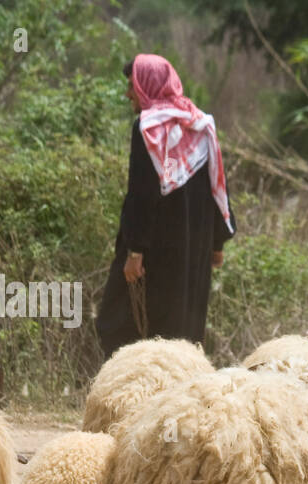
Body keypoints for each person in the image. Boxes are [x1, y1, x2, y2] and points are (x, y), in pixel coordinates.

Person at [95, 54, 237, 359]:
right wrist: (217, 242)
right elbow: (218, 187)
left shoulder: (147, 129)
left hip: (155, 253)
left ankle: (134, 396)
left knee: (115, 321)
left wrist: (135, 251)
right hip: (193, 252)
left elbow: (142, 194)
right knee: (182, 332)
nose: (128, 93)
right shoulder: (200, 124)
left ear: (148, 85)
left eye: (132, 85)